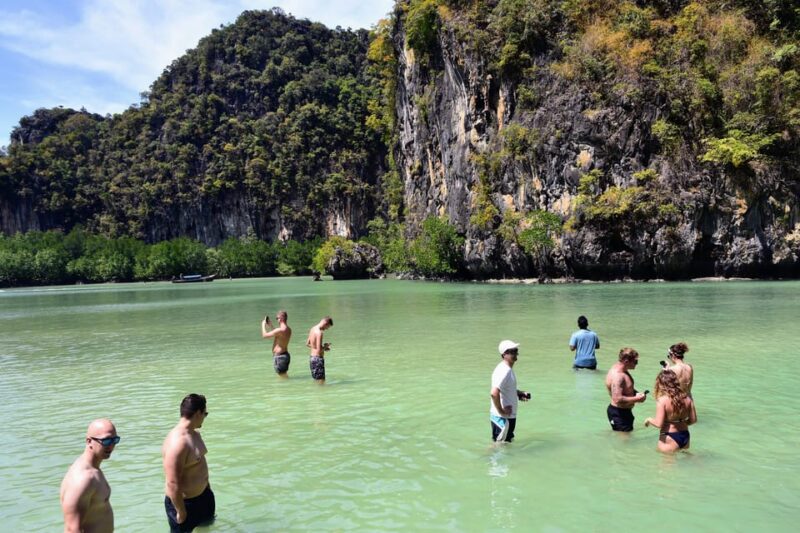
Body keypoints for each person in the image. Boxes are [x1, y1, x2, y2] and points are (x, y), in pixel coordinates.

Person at [163, 394, 214, 532]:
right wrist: (181, 511)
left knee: (205, 529)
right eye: (205, 413)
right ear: (198, 413)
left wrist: (207, 488)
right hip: (184, 505)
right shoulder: (178, 443)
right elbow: (172, 482)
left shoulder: (195, 434)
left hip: (203, 497)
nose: (205, 417)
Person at [60, 418, 120, 533]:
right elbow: (72, 529)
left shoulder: (92, 469)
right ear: (89, 441)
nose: (111, 446)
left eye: (115, 440)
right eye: (106, 441)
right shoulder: (84, 478)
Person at [644, 369, 697, 452]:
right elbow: (693, 420)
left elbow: (659, 424)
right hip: (685, 435)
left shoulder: (662, 400)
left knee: (666, 464)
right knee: (685, 461)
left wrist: (649, 420)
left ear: (661, 384)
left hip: (670, 436)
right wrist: (680, 423)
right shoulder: (687, 398)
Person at [490, 340, 531, 442]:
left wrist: (518, 393)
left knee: (504, 446)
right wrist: (501, 411)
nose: (515, 353)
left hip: (506, 418)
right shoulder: (505, 370)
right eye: (512, 351)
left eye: (516, 350)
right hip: (503, 419)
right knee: (498, 447)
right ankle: (484, 458)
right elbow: (494, 393)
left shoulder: (506, 369)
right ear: (504, 354)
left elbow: (504, 389)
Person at [605, 347, 647, 431]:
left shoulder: (621, 369)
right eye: (635, 361)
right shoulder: (618, 376)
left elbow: (624, 388)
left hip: (623, 412)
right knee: (624, 441)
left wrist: (636, 393)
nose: (637, 364)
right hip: (619, 414)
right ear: (626, 361)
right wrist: (637, 398)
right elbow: (617, 399)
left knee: (625, 439)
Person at [261, 310, 293, 377]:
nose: (277, 320)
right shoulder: (288, 329)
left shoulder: (280, 330)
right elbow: (277, 335)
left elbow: (264, 335)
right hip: (285, 355)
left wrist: (263, 325)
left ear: (281, 318)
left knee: (282, 377)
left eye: (277, 318)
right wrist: (270, 325)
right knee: (284, 376)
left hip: (280, 357)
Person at [306, 316, 333, 384]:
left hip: (312, 359)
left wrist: (322, 348)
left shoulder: (312, 329)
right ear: (325, 323)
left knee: (316, 381)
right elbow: (319, 350)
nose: (326, 329)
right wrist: (325, 346)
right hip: (318, 360)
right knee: (321, 382)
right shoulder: (319, 333)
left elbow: (308, 344)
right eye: (327, 327)